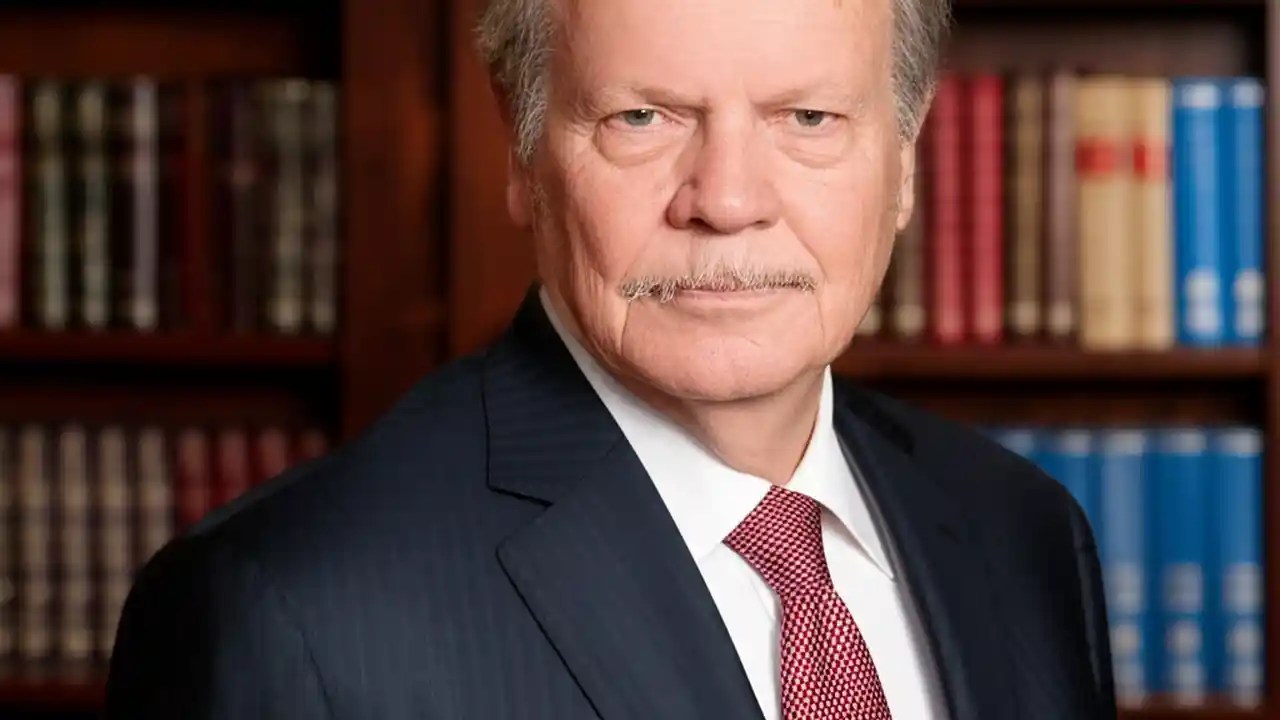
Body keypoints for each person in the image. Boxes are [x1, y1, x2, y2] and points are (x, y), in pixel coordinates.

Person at [105, 0, 1115, 717]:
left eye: (806, 118)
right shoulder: (285, 612)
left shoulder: (1023, 536)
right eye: (643, 117)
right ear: (521, 156)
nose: (725, 200)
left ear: (902, 161)